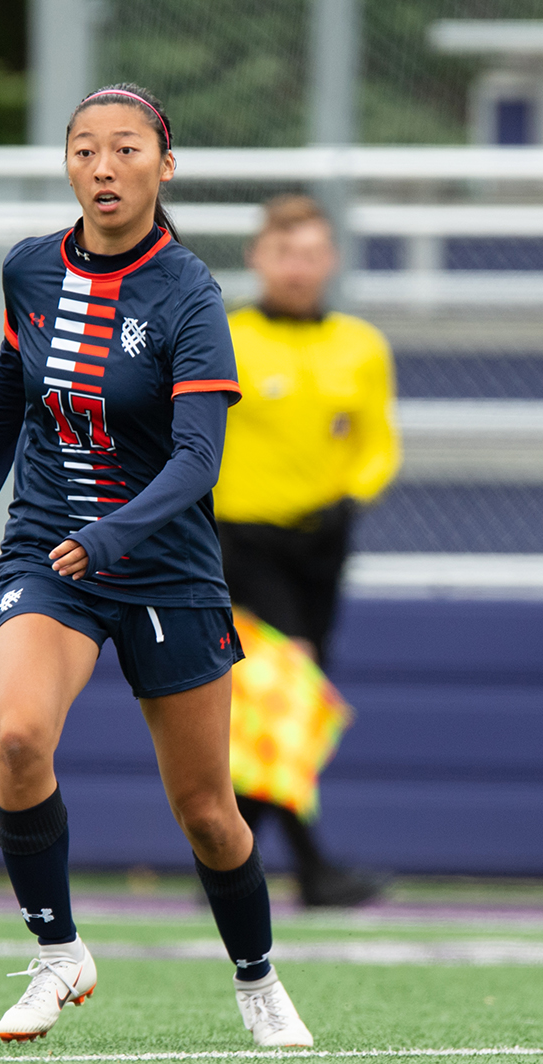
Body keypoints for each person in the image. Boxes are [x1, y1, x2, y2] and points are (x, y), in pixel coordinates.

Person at [0, 83, 313, 1048]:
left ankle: (257, 977)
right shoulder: (29, 270)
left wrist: (114, 533)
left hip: (163, 564)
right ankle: (58, 951)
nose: (103, 169)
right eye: (83, 151)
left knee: (206, 814)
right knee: (20, 740)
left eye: (124, 150)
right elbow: (5, 390)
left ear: (164, 164)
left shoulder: (188, 291)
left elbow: (199, 461)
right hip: (49, 549)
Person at [212, 194, 400, 908]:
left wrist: (352, 495)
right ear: (259, 258)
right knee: (288, 692)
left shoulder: (360, 345)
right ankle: (310, 870)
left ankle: (229, 859)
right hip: (242, 543)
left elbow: (378, 443)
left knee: (287, 705)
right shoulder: (226, 337)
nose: (298, 267)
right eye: (284, 252)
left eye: (311, 253)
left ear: (332, 261)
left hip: (323, 543)